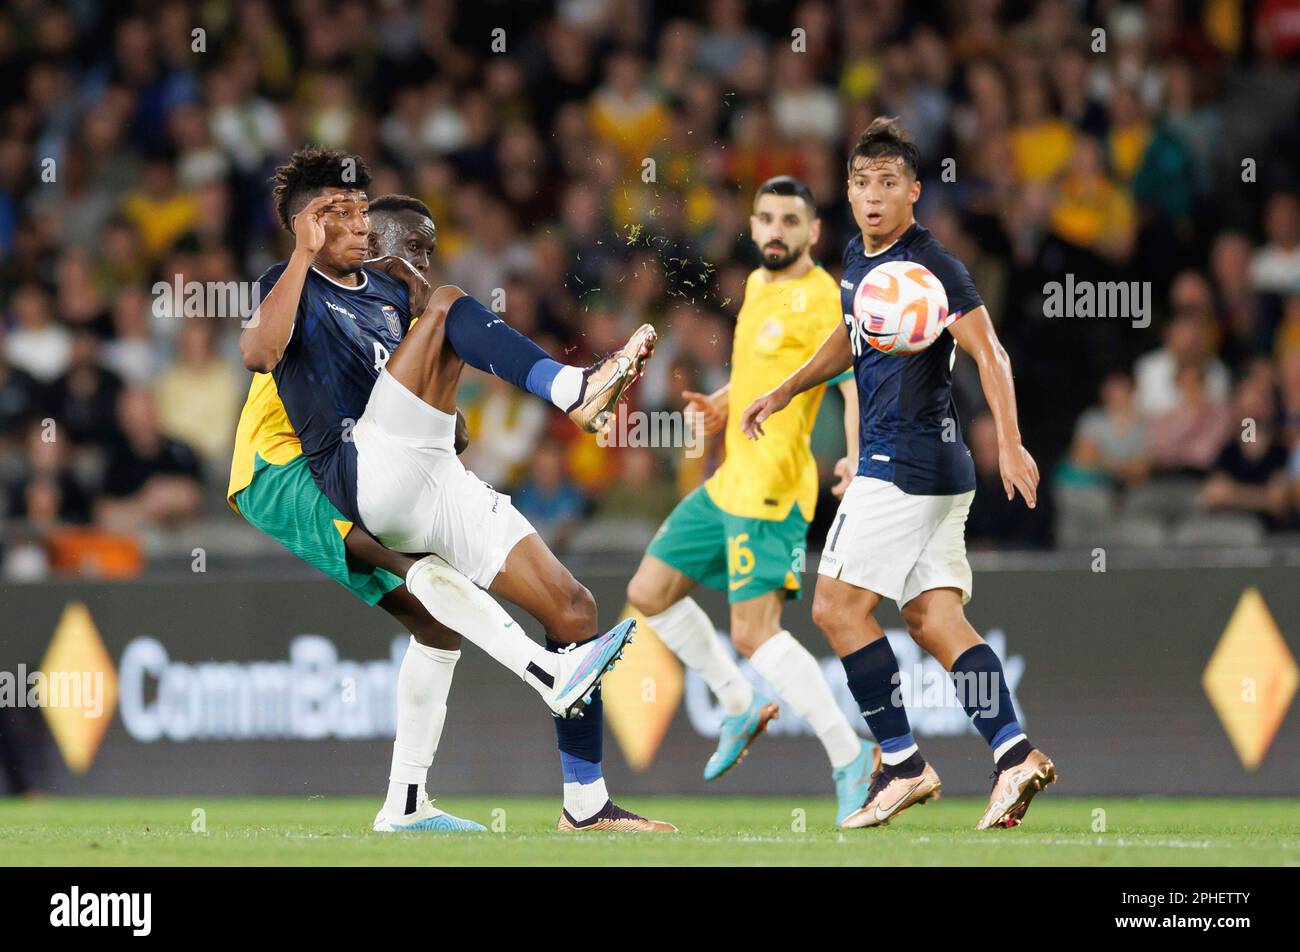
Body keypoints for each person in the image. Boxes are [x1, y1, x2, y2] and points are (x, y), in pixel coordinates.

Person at [238, 148, 671, 833]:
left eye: (359, 210)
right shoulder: (292, 285)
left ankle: (581, 807)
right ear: (312, 226)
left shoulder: (387, 299)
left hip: (430, 472)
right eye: (341, 214)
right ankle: (574, 390)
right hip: (363, 478)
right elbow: (260, 353)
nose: (357, 222)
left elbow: (412, 397)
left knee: (573, 608)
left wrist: (448, 410)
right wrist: (299, 254)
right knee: (448, 305)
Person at [742, 118, 1056, 830]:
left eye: (888, 184)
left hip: (903, 461)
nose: (873, 196)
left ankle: (902, 764)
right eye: (861, 184)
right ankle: (1013, 756)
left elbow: (992, 354)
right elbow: (850, 336)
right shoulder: (857, 255)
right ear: (848, 196)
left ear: (914, 192)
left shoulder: (934, 266)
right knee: (934, 618)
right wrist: (788, 389)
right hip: (936, 472)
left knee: (835, 609)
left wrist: (1011, 442)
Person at [626, 176, 879, 827]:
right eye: (764, 218)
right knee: (651, 591)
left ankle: (852, 757)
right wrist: (723, 400)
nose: (773, 230)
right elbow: (763, 370)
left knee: (752, 631)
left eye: (788, 221)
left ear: (813, 232)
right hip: (729, 479)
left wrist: (855, 456)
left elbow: (851, 384)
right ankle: (738, 704)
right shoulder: (761, 286)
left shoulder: (826, 297)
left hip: (773, 488)